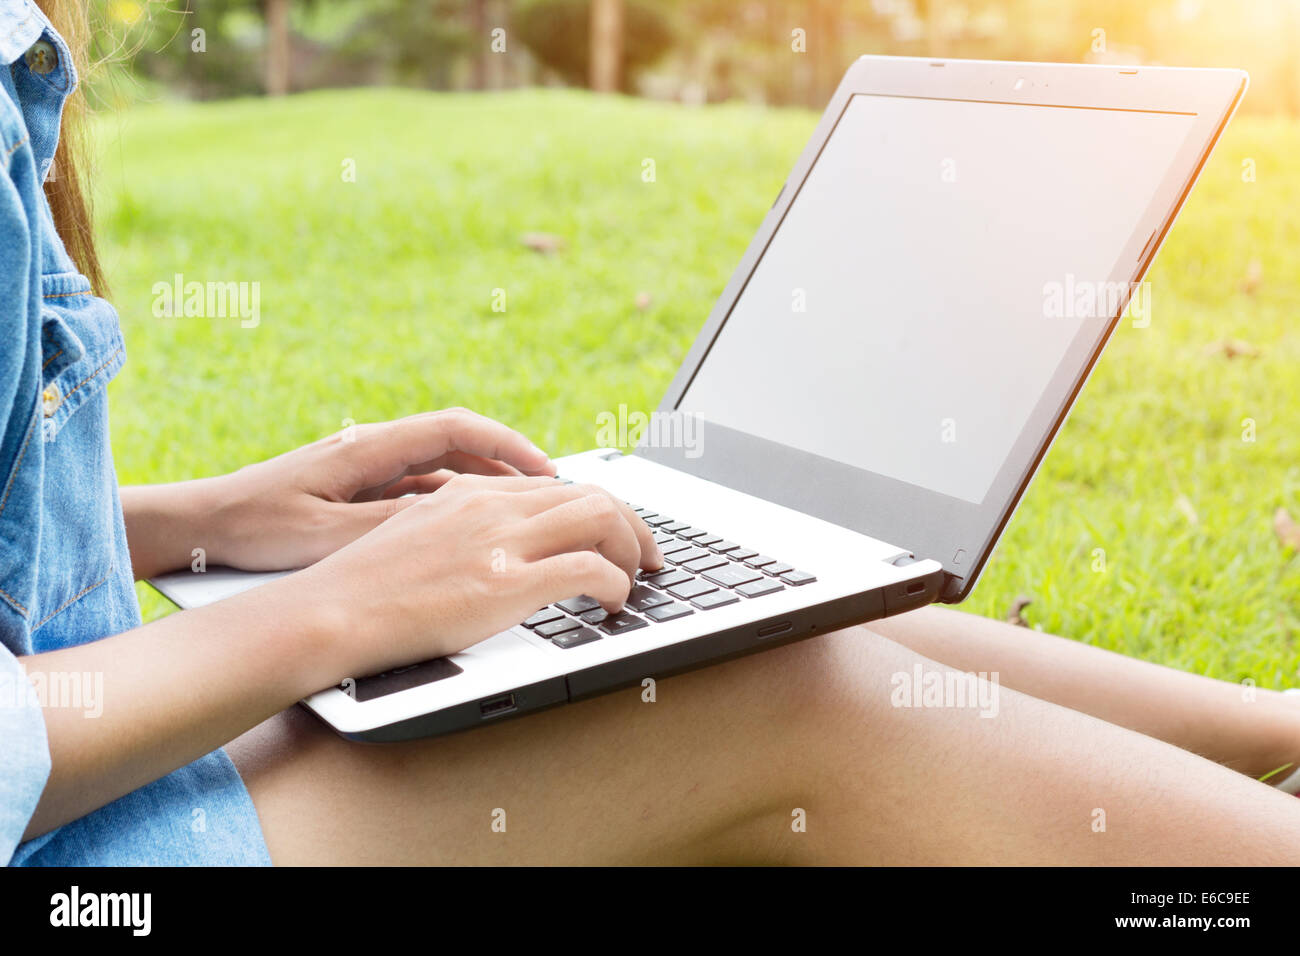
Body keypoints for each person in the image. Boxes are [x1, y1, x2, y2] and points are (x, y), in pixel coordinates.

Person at [3, 0, 1298, 867]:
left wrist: (199, 517)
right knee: (784, 691)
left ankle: (1268, 730)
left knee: (722, 590)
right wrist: (333, 615)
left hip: (95, 764)